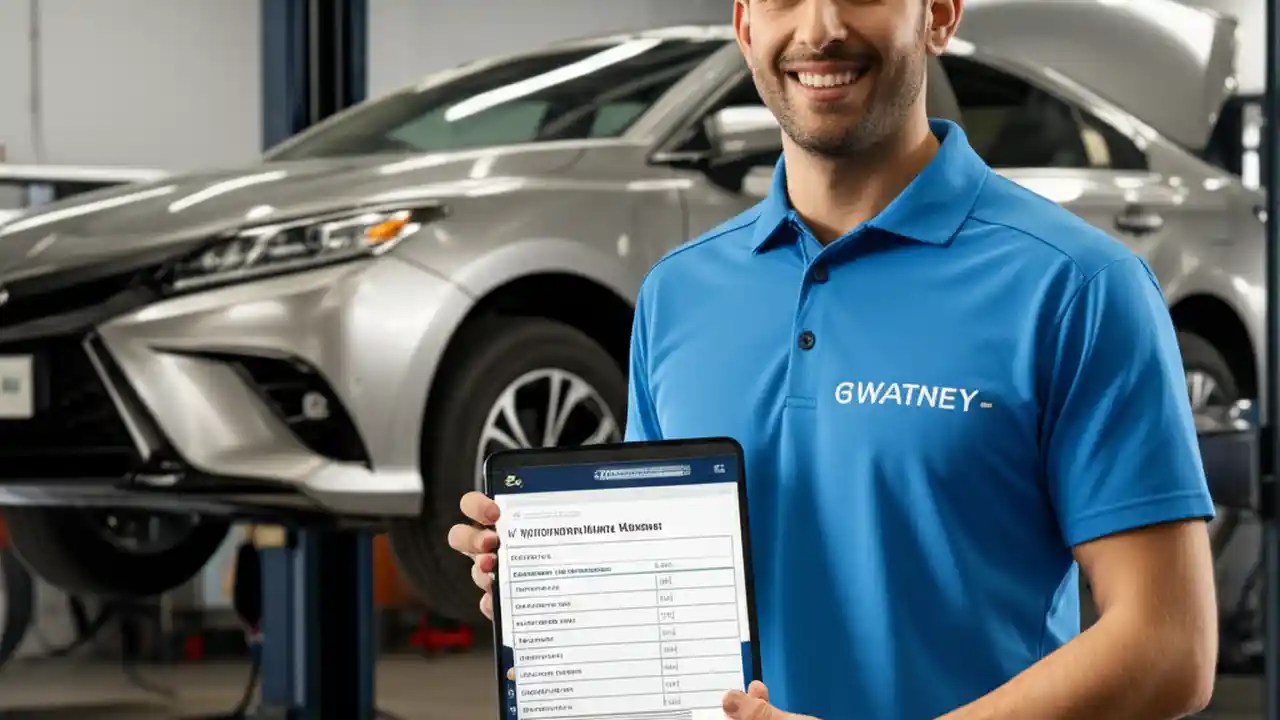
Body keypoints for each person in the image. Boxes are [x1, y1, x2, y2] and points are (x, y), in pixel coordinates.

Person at [449, 0, 1220, 717]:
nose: (819, 29)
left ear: (939, 15)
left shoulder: (1078, 286)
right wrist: (558, 581)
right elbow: (673, 598)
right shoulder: (678, 292)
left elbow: (1170, 646)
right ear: (745, 24)